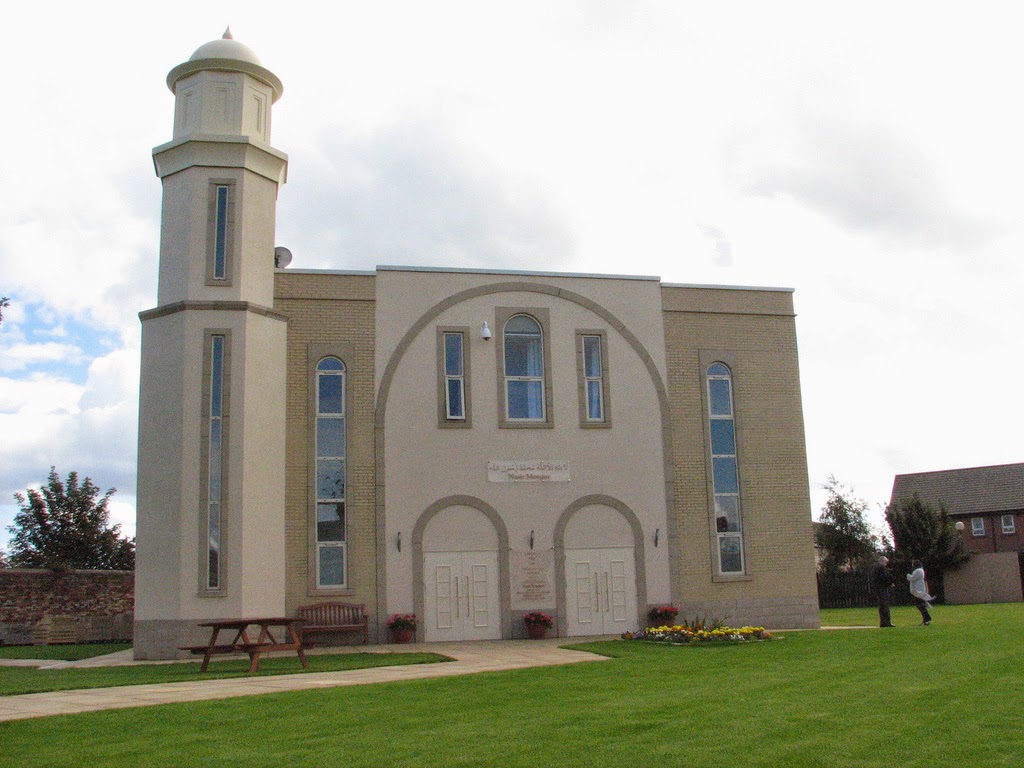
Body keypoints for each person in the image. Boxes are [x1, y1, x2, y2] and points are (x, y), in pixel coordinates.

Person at [907, 559, 936, 625]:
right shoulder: (920, 570)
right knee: (921, 604)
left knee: (920, 605)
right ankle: (925, 620)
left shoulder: (918, 571)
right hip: (919, 590)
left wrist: (908, 575)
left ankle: (927, 619)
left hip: (918, 591)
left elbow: (912, 579)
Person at [871, 556, 896, 627]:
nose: (886, 563)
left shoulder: (875, 568)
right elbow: (884, 578)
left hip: (878, 588)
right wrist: (890, 582)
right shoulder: (881, 568)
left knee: (882, 605)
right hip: (882, 588)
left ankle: (883, 622)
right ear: (882, 561)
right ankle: (886, 622)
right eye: (886, 562)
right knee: (885, 605)